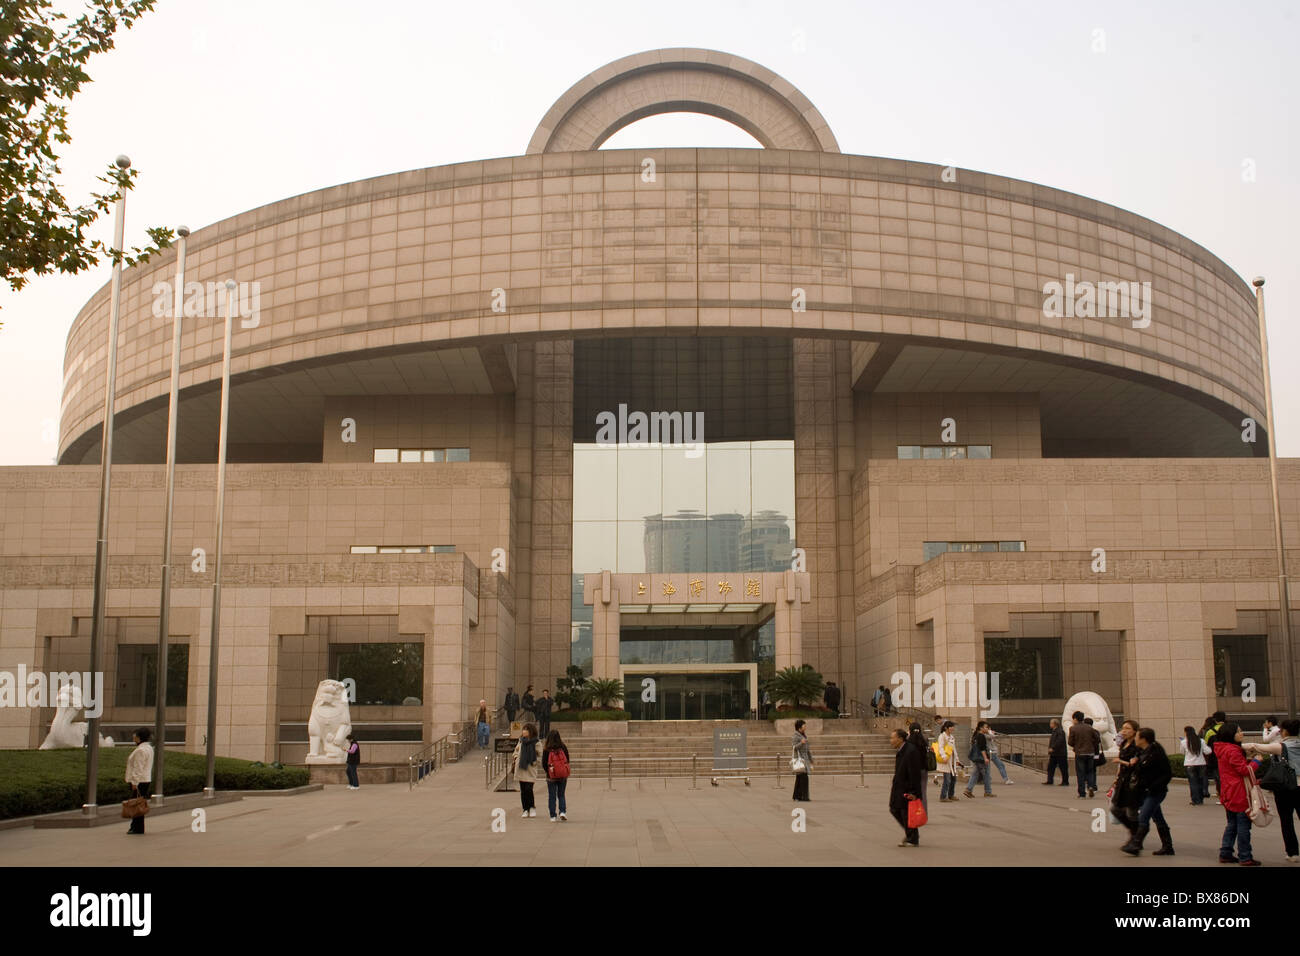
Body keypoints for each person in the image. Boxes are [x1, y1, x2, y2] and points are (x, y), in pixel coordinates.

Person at [1244, 717, 1300, 862]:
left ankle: (1293, 853)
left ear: (1285, 731)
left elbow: (1256, 746)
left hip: (1285, 787)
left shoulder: (1281, 746)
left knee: (1286, 820)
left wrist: (1237, 745)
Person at [1124, 728, 1174, 856]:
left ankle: (1135, 844)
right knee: (1158, 818)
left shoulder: (1156, 752)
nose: (1135, 739)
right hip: (1145, 791)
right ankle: (1168, 846)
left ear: (1143, 739)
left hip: (1155, 791)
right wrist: (1134, 764)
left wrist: (1153, 786)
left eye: (1137, 736)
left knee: (1143, 816)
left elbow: (1167, 773)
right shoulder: (1143, 751)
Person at [1213, 722, 1256, 865]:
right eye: (1238, 731)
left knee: (1232, 824)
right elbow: (1243, 770)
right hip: (1239, 792)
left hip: (1228, 791)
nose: (1241, 733)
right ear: (1230, 734)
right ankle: (1245, 856)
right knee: (1243, 826)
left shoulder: (1222, 749)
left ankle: (1226, 853)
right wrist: (1256, 762)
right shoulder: (1233, 750)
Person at [890, 728, 925, 846]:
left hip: (907, 788)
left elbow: (915, 773)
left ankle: (912, 838)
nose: (891, 740)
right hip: (899, 786)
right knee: (894, 808)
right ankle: (911, 834)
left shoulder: (910, 751)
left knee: (905, 812)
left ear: (900, 739)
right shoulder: (902, 749)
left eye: (893, 738)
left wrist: (914, 792)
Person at [1111, 719, 1141, 843]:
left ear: (1134, 731)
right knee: (1115, 808)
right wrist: (1117, 777)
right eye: (1123, 728)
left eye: (1128, 728)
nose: (1124, 730)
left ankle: (1135, 837)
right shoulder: (1123, 743)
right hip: (1122, 780)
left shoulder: (1137, 745)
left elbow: (1135, 764)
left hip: (1132, 781)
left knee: (1131, 812)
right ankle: (1135, 832)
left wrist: (1120, 761)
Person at [125, 727, 154, 835]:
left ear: (139, 737)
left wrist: (134, 782)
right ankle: (137, 827)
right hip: (145, 780)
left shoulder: (141, 750)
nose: (134, 738)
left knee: (136, 805)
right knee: (139, 804)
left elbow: (138, 767)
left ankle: (136, 827)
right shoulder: (148, 748)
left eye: (135, 736)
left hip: (140, 781)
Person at [510, 722, 542, 818]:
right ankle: (525, 809)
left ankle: (532, 807)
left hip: (530, 769)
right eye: (523, 729)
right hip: (521, 768)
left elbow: (540, 755)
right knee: (523, 790)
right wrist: (516, 758)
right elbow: (516, 751)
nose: (523, 731)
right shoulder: (521, 741)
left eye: (526, 729)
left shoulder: (537, 742)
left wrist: (535, 762)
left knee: (529, 789)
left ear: (530, 731)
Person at [1068, 710, 1100, 798]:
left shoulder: (1073, 728)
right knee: (1090, 771)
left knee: (1080, 773)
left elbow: (1070, 742)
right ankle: (1091, 786)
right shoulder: (1089, 728)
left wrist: (1077, 744)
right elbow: (1097, 739)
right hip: (1090, 753)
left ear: (1075, 719)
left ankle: (1082, 793)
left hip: (1079, 753)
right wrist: (1091, 744)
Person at [542, 729, 571, 822]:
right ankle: (562, 811)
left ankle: (552, 816)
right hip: (562, 775)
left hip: (551, 776)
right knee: (561, 795)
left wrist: (549, 772)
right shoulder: (563, 747)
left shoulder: (547, 748)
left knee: (552, 796)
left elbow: (544, 763)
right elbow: (567, 760)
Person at [964, 720, 995, 797]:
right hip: (981, 758)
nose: (987, 729)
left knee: (975, 774)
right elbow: (982, 748)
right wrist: (985, 758)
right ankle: (987, 792)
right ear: (981, 728)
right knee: (986, 774)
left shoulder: (976, 735)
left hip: (976, 758)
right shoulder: (981, 736)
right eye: (986, 727)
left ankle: (969, 790)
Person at [1180, 726, 1209, 806]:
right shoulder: (1201, 741)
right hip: (1201, 763)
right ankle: (1200, 799)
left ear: (1186, 732)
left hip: (1189, 764)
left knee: (1193, 782)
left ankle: (1195, 800)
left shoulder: (1183, 742)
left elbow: (1182, 752)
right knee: (1200, 781)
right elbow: (1207, 751)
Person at [1203, 711, 1225, 803]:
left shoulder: (1210, 732)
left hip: (1216, 758)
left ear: (1215, 720)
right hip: (1230, 756)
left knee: (1218, 778)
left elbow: (1206, 745)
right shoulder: (1233, 728)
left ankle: (1222, 797)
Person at [907, 722, 930, 811]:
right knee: (923, 791)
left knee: (911, 792)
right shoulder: (924, 740)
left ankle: (913, 813)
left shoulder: (909, 741)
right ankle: (924, 813)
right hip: (923, 769)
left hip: (912, 770)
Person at [934, 720, 959, 801]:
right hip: (945, 761)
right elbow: (940, 747)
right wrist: (944, 756)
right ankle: (943, 797)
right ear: (946, 728)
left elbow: (953, 749)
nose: (952, 728)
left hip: (952, 760)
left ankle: (951, 795)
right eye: (951, 727)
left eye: (953, 726)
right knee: (947, 779)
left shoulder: (952, 737)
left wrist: (957, 759)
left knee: (954, 779)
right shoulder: (942, 736)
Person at [791, 719, 813, 801]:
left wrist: (811, 759)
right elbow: (794, 747)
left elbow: (808, 749)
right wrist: (801, 743)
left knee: (800, 778)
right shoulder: (796, 736)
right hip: (800, 760)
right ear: (799, 727)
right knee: (803, 778)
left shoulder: (803, 735)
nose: (805, 726)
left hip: (805, 759)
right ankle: (804, 796)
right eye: (804, 725)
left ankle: (797, 796)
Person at [1044, 718, 1069, 786]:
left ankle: (1065, 781)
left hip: (1060, 753)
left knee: (1063, 768)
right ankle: (1050, 780)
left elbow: (1059, 741)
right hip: (1054, 754)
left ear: (1054, 724)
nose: (1050, 724)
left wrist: (1053, 748)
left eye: (1051, 723)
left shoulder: (1060, 731)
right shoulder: (1055, 731)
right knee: (1050, 767)